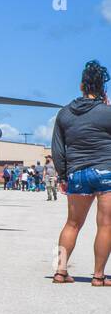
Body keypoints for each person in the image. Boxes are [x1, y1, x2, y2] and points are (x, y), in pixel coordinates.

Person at [51, 60, 111, 285]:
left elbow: (57, 149)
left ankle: (59, 271)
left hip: (77, 173)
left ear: (81, 86)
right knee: (106, 224)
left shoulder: (64, 114)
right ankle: (98, 276)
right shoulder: (108, 112)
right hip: (107, 172)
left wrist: (62, 175)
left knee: (72, 223)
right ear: (103, 89)